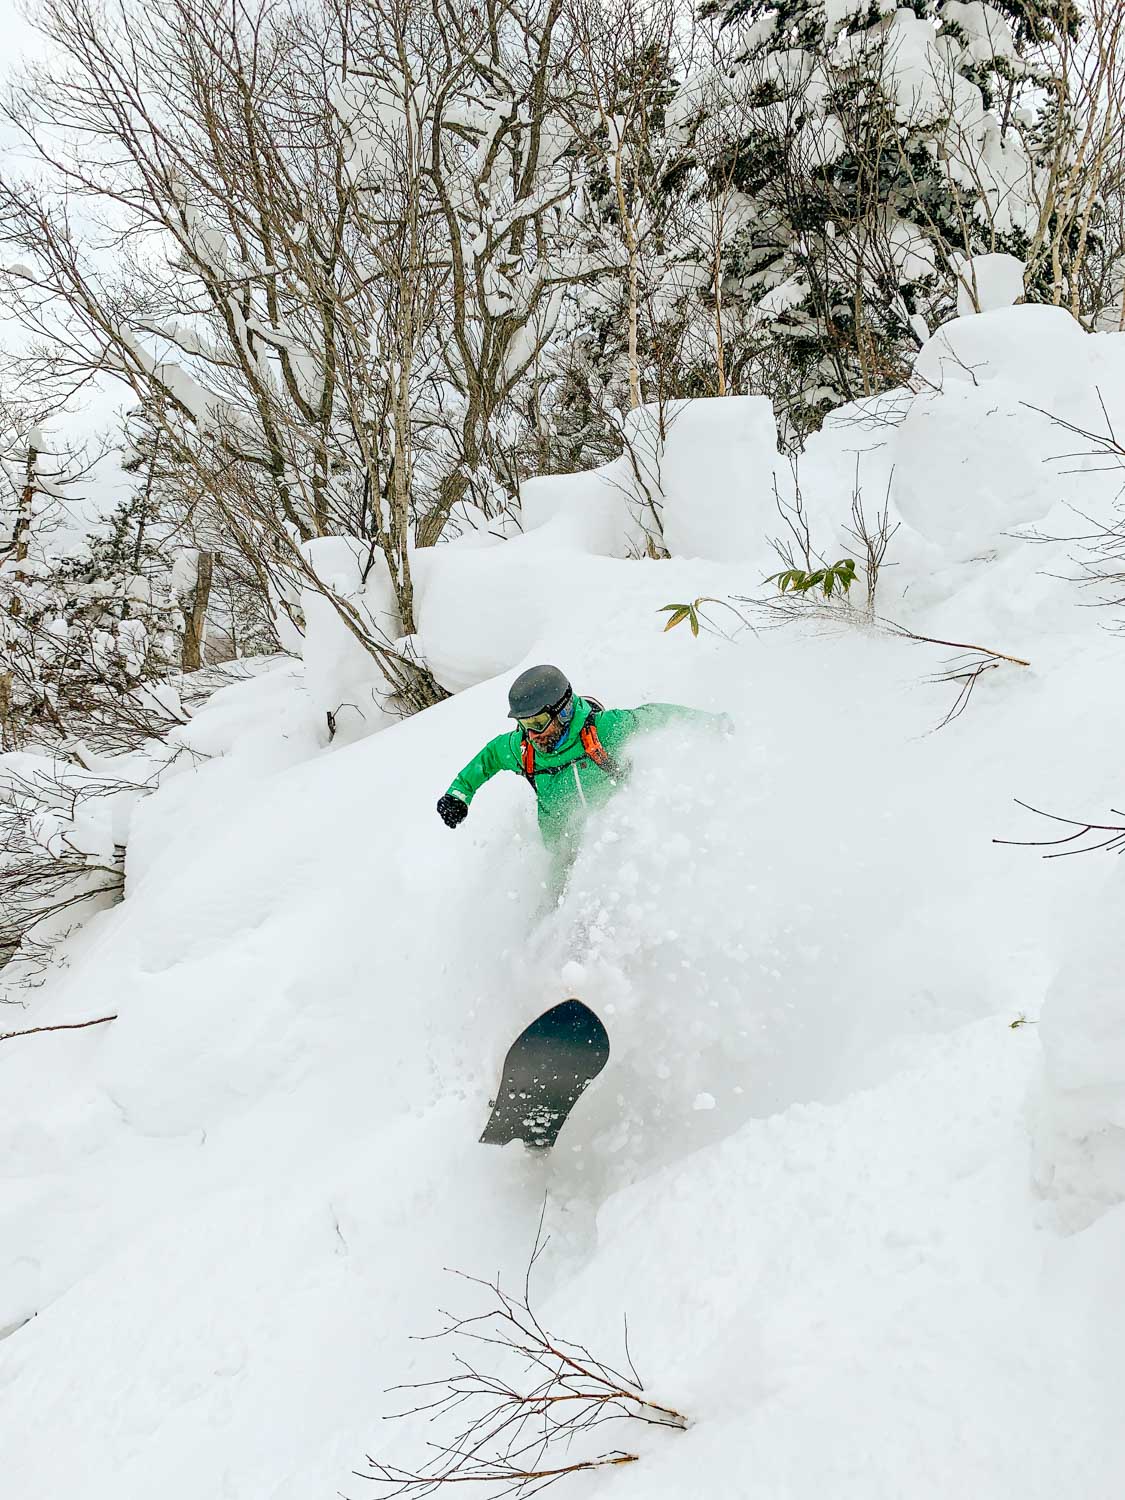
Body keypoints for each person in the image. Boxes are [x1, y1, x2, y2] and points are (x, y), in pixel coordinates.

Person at [436, 665, 729, 868]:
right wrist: (458, 794)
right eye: (524, 725)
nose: (532, 734)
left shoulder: (605, 731)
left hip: (614, 845)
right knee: (550, 931)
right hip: (561, 857)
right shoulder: (524, 748)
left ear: (562, 711)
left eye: (538, 723)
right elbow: (489, 757)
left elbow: (657, 716)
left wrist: (714, 723)